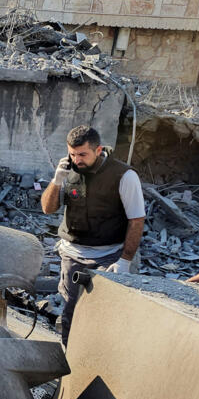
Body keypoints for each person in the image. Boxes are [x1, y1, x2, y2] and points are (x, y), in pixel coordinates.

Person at [41, 125, 145, 346]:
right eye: (72, 153)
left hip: (109, 256)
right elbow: (48, 209)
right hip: (73, 254)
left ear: (98, 150)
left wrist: (125, 261)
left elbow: (136, 220)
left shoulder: (124, 176)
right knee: (70, 312)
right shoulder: (68, 170)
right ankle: (69, 361)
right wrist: (57, 180)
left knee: (103, 315)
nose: (76, 159)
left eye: (82, 154)